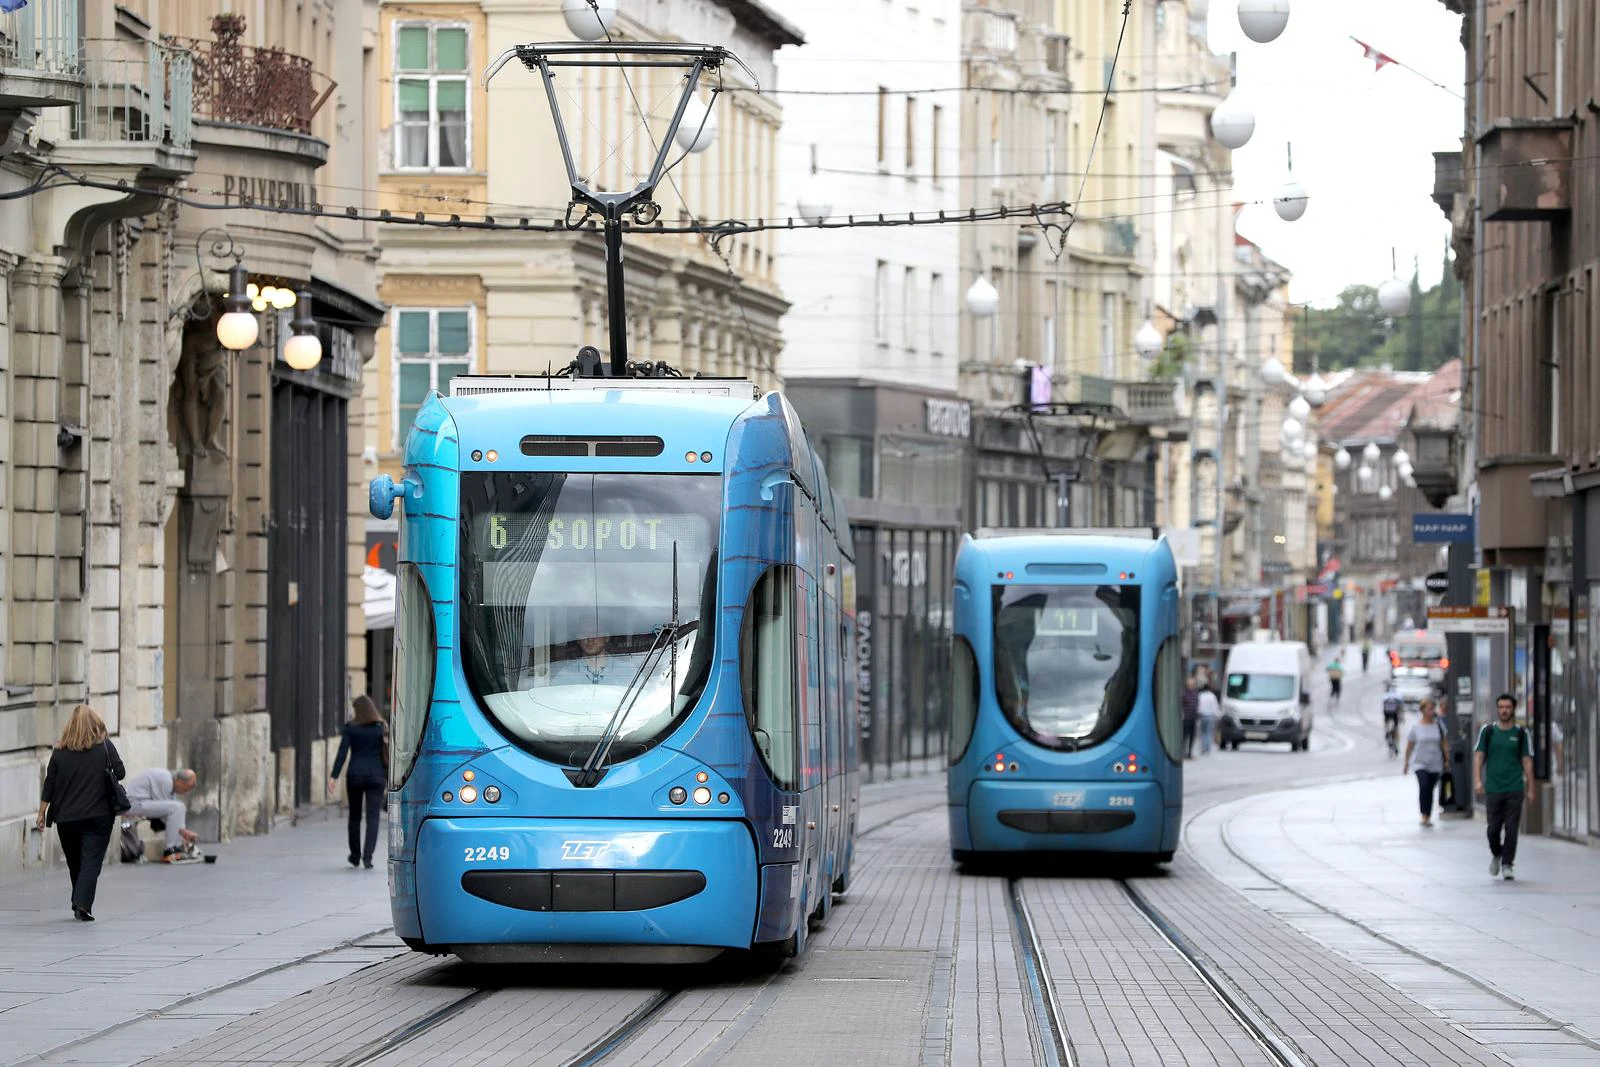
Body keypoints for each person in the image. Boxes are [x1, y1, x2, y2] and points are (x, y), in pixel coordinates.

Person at [36, 705, 125, 921]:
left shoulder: (58, 752)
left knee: (75, 861)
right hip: (99, 815)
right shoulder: (104, 746)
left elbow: (50, 784)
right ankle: (82, 903)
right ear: (96, 724)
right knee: (91, 861)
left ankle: (80, 901)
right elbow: (120, 772)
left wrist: (41, 813)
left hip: (66, 818)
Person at [1475, 693, 1535, 881]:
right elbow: (1479, 757)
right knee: (1493, 829)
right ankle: (1497, 854)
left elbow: (1527, 761)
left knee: (1511, 828)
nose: (1504, 710)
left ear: (1513, 709)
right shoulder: (1488, 731)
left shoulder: (1520, 733)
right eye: (1501, 707)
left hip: (1515, 787)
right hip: (1493, 788)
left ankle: (1508, 863)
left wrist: (1531, 787)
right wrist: (1478, 780)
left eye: (1507, 707)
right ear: (1497, 708)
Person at [330, 694, 389, 869]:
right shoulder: (380, 727)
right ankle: (367, 857)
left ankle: (355, 856)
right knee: (373, 817)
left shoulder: (351, 728)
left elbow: (342, 753)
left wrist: (334, 776)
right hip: (376, 776)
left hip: (355, 775)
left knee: (354, 817)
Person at [125, 766, 199, 864]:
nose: (184, 793)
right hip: (132, 804)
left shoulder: (170, 782)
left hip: (142, 802)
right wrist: (183, 832)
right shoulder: (165, 780)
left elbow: (173, 817)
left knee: (179, 806)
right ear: (180, 781)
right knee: (176, 807)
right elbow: (165, 816)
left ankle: (177, 847)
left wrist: (183, 833)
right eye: (185, 789)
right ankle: (170, 850)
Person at [1403, 698, 1450, 827]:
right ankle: (1424, 815)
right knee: (1423, 786)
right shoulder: (1416, 728)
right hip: (1420, 763)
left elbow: (1444, 742)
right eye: (1428, 708)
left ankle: (1427, 814)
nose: (1431, 711)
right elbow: (1410, 746)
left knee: (1430, 788)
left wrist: (1447, 759)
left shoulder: (1439, 726)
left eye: (1432, 708)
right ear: (1422, 710)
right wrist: (1406, 763)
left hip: (1435, 762)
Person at [1196, 681, 1220, 756]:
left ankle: (1203, 748)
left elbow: (1198, 706)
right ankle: (1208, 748)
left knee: (1203, 733)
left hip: (1202, 716)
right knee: (1209, 733)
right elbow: (1215, 707)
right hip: (1210, 716)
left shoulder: (1200, 695)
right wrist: (1217, 716)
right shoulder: (1212, 696)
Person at [1180, 675, 1200, 759]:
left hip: (1193, 718)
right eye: (1190, 684)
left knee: (1192, 736)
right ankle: (1183, 753)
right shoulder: (1184, 694)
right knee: (1185, 736)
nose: (1191, 686)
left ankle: (1190, 752)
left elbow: (1197, 704)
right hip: (1186, 718)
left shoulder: (1195, 694)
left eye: (1193, 684)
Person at [1381, 684, 1403, 756]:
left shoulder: (1385, 695)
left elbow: (1383, 706)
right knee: (1396, 729)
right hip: (1394, 714)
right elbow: (1400, 707)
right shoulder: (1398, 696)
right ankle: (1396, 743)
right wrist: (1401, 717)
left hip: (1387, 713)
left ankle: (1387, 731)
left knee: (1387, 724)